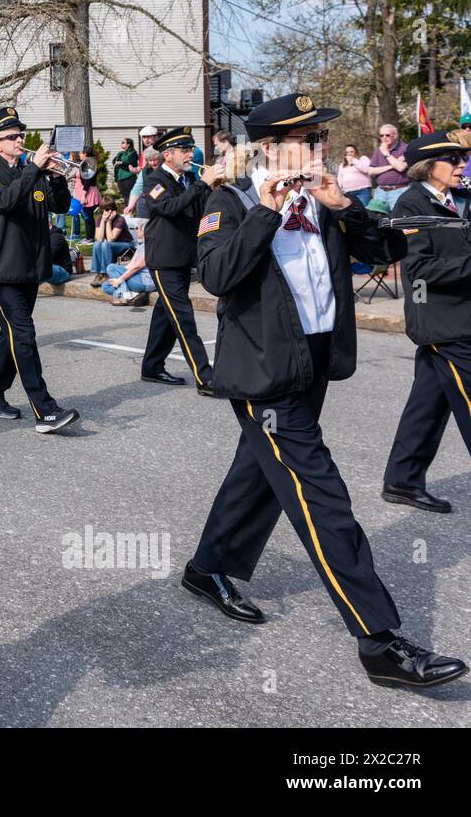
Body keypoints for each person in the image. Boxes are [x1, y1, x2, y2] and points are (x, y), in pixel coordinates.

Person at [184, 92, 465, 690]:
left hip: (314, 363)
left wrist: (346, 205)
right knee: (322, 499)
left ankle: (207, 569)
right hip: (264, 374)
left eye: (320, 139)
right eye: (307, 140)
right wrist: (264, 212)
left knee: (257, 474)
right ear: (270, 146)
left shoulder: (325, 200)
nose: (319, 149)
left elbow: (391, 253)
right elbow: (215, 276)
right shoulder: (230, 199)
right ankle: (379, 641)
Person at [381, 130, 471, 514]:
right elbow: (418, 270)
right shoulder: (410, 205)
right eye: (452, 159)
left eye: (461, 158)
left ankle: (402, 480)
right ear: (426, 166)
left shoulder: (463, 199)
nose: (461, 164)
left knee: (428, 405)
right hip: (444, 323)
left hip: (462, 318)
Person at [0, 106, 78, 433]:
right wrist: (34, 169)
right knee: (24, 335)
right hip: (3, 270)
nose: (21, 140)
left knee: (11, 335)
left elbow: (60, 205)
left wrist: (58, 177)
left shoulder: (30, 172)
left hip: (30, 268)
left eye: (21, 134)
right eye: (13, 136)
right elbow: (5, 202)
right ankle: (45, 410)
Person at [139, 126, 218, 392]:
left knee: (165, 314)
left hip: (183, 257)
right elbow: (169, 208)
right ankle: (205, 377)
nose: (190, 154)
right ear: (168, 155)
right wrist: (201, 184)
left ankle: (152, 366)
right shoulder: (155, 179)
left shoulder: (188, 180)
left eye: (190, 149)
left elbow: (198, 210)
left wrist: (213, 189)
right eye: (185, 150)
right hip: (164, 259)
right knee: (183, 318)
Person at [90, 198, 132, 284]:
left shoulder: (120, 219)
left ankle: (105, 273)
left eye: (112, 209)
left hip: (125, 244)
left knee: (106, 244)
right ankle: (99, 273)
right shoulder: (99, 219)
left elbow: (110, 239)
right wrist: (103, 221)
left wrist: (108, 222)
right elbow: (99, 238)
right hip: (111, 245)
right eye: (107, 209)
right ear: (102, 210)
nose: (109, 211)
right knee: (97, 244)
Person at [368, 124, 408, 210]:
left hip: (399, 190)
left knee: (397, 218)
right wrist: (392, 165)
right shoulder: (379, 150)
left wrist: (386, 153)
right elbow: (370, 171)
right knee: (378, 219)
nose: (384, 137)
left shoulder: (405, 148)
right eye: (381, 135)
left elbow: (401, 168)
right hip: (380, 191)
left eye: (387, 135)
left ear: (395, 135)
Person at [336, 143, 373, 208]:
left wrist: (353, 160)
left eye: (352, 152)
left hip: (363, 191)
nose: (349, 154)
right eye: (347, 152)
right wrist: (338, 191)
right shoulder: (342, 165)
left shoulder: (363, 159)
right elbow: (340, 179)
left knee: (362, 210)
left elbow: (366, 170)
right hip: (348, 193)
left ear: (356, 152)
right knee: (351, 213)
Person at [44, 218, 73, 285]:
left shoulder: (56, 237)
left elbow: (48, 257)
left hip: (64, 271)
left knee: (38, 270)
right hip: (52, 268)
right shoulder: (45, 236)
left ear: (48, 225)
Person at [113, 138, 138, 203]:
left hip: (129, 177)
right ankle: (128, 211)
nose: (121, 143)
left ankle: (131, 211)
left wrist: (121, 163)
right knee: (125, 197)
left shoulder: (133, 153)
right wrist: (120, 163)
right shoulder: (121, 153)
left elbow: (132, 164)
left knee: (129, 196)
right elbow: (114, 162)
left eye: (123, 142)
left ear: (128, 144)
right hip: (120, 178)